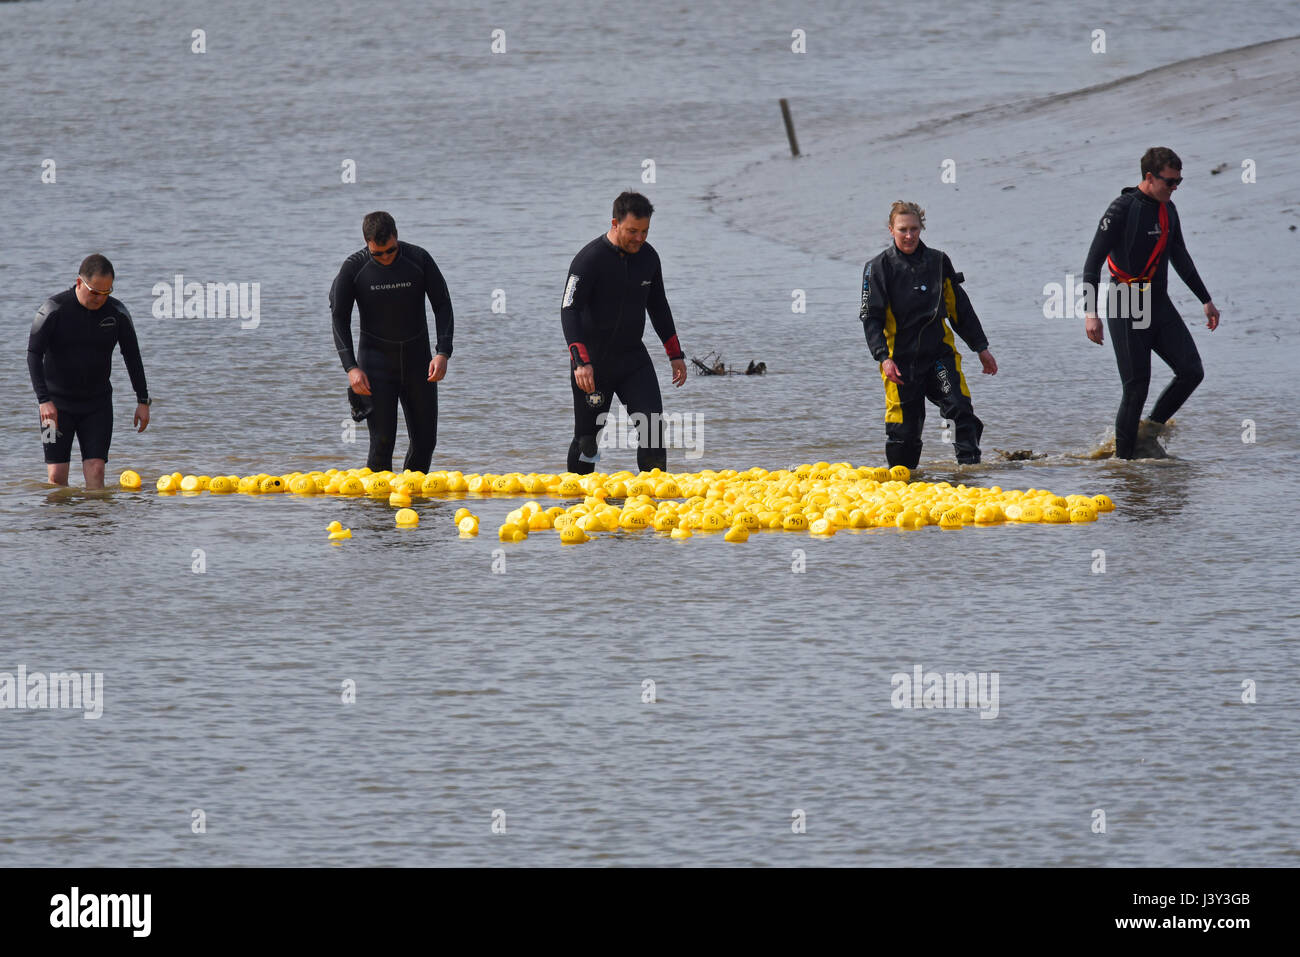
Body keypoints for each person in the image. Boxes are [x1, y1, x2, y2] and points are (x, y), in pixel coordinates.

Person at [1083, 147, 1219, 459]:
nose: (1174, 188)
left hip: (1158, 302)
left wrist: (1205, 299)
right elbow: (1092, 264)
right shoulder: (1122, 209)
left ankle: (1149, 433)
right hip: (1125, 301)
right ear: (1149, 176)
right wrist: (1091, 314)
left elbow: (1180, 256)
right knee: (1136, 387)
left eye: (1178, 182)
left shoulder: (1168, 209)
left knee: (1191, 371)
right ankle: (1125, 462)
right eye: (1169, 182)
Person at [859, 201, 997, 468]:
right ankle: (904, 481)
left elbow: (960, 308)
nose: (909, 236)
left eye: (914, 229)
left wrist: (981, 348)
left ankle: (970, 473)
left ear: (921, 228)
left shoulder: (937, 262)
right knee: (905, 431)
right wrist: (883, 358)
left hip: (938, 358)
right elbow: (871, 319)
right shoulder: (877, 268)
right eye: (902, 230)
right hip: (899, 362)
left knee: (959, 408)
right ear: (891, 230)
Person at [561, 191, 687, 474]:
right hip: (593, 363)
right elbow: (568, 309)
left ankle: (651, 501)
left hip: (632, 359)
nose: (639, 239)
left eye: (645, 232)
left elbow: (658, 306)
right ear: (615, 223)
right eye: (633, 231)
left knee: (653, 429)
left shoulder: (649, 258)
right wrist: (581, 362)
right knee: (587, 440)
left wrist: (675, 355)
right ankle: (577, 504)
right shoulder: (588, 260)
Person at [330, 211, 453, 473]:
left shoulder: (418, 259)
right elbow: (339, 318)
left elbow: (442, 305)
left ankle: (415, 507)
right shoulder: (353, 268)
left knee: (425, 443)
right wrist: (351, 368)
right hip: (375, 366)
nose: (386, 258)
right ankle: (378, 513)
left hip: (418, 363)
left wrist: (443, 353)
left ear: (397, 237)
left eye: (391, 251)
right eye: (378, 254)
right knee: (382, 443)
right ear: (367, 244)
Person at [27, 254, 151, 489]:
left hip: (97, 405)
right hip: (55, 408)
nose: (100, 299)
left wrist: (143, 400)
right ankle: (61, 526)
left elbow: (132, 356)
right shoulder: (53, 310)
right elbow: (33, 355)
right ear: (79, 283)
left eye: (107, 293)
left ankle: (95, 524)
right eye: (95, 292)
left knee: (96, 469)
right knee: (56, 475)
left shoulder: (117, 313)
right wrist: (44, 400)